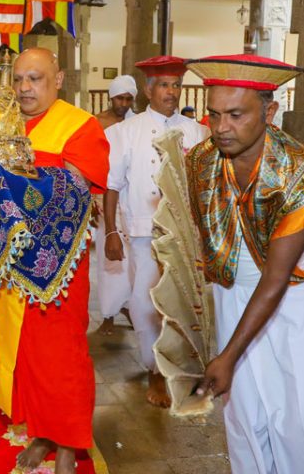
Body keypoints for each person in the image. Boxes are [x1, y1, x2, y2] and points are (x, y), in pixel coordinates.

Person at [186, 54, 304, 473]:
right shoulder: (201, 160)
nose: (221, 128)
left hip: (294, 299)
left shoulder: (302, 174)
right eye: (214, 114)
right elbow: (210, 239)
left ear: (270, 112)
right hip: (233, 293)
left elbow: (275, 279)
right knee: (246, 417)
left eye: (236, 115)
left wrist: (227, 356)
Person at [0, 47, 109, 474]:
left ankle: (68, 445)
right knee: (28, 354)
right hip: (12, 261)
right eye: (19, 79)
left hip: (58, 264)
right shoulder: (5, 127)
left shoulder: (79, 126)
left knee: (64, 356)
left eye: (35, 78)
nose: (24, 87)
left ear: (58, 80)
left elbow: (76, 190)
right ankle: (42, 433)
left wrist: (16, 179)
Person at [104, 55, 208, 407]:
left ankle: (184, 368)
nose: (171, 92)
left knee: (184, 304)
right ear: (148, 90)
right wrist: (110, 233)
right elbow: (112, 185)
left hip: (186, 233)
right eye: (164, 84)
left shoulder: (197, 132)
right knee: (145, 304)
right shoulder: (124, 132)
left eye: (176, 85)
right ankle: (154, 372)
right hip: (143, 231)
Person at [93, 74, 138, 336]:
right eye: (120, 98)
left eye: (129, 98)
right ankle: (109, 313)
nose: (124, 103)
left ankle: (131, 306)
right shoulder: (97, 122)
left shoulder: (136, 123)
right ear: (111, 97)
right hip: (104, 194)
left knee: (133, 256)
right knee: (108, 258)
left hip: (130, 195)